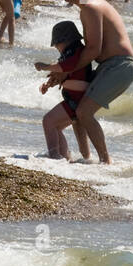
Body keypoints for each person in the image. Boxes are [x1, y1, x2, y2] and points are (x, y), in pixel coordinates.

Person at [51, 0, 133, 165]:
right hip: (111, 66)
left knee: (84, 112)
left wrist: (66, 70)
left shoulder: (90, 6)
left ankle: (105, 162)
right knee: (77, 109)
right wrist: (63, 71)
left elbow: (93, 50)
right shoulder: (88, 6)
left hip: (119, 66)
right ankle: (86, 159)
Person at [34, 20, 93, 161]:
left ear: (65, 41)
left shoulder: (76, 52)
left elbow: (65, 66)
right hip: (73, 100)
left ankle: (54, 156)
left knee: (48, 121)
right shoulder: (70, 53)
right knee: (55, 126)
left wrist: (45, 66)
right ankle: (64, 157)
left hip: (77, 101)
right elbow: (61, 73)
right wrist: (48, 84)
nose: (55, 47)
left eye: (56, 44)